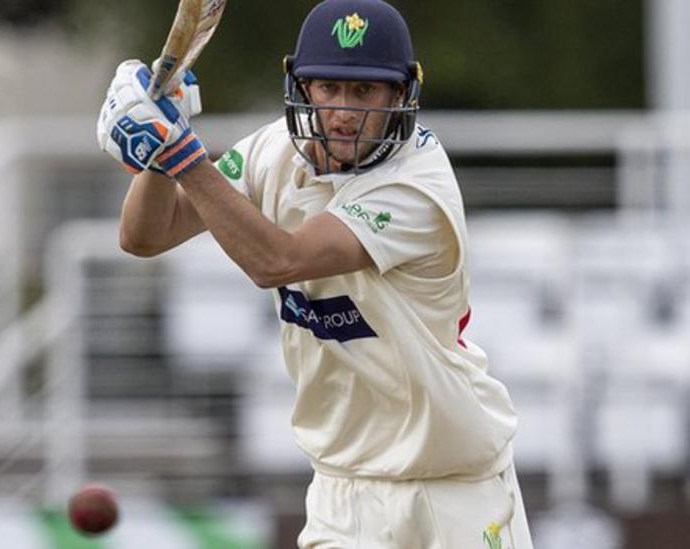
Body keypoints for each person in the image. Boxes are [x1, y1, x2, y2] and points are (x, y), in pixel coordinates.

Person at [96, 0, 534, 547]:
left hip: (453, 484)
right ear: (303, 88)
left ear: (400, 95)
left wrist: (181, 153)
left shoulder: (417, 186)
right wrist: (161, 148)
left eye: (365, 91)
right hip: (342, 490)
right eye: (329, 88)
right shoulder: (273, 151)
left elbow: (278, 261)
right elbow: (144, 236)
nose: (344, 111)